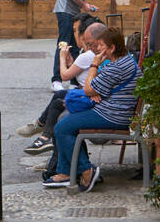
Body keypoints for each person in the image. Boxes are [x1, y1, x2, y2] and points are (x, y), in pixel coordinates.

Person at [46, 27, 141, 191]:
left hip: (113, 115)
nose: (98, 49)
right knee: (65, 119)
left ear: (112, 48)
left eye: (102, 46)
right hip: (116, 111)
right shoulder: (125, 60)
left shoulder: (116, 67)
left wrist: (94, 65)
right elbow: (94, 87)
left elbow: (90, 88)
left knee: (62, 127)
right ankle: (65, 171)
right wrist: (93, 90)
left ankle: (86, 169)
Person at [19, 19, 105, 154]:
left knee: (61, 113)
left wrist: (62, 57)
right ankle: (46, 141)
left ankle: (43, 132)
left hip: (99, 105)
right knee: (59, 99)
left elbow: (65, 76)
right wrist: (71, 63)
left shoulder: (92, 56)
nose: (73, 34)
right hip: (95, 98)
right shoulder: (92, 55)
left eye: (75, 30)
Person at [52, 0, 101, 86]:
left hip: (71, 11)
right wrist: (84, 5)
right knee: (64, 44)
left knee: (75, 45)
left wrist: (86, 5)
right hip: (65, 10)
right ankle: (56, 80)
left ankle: (74, 81)